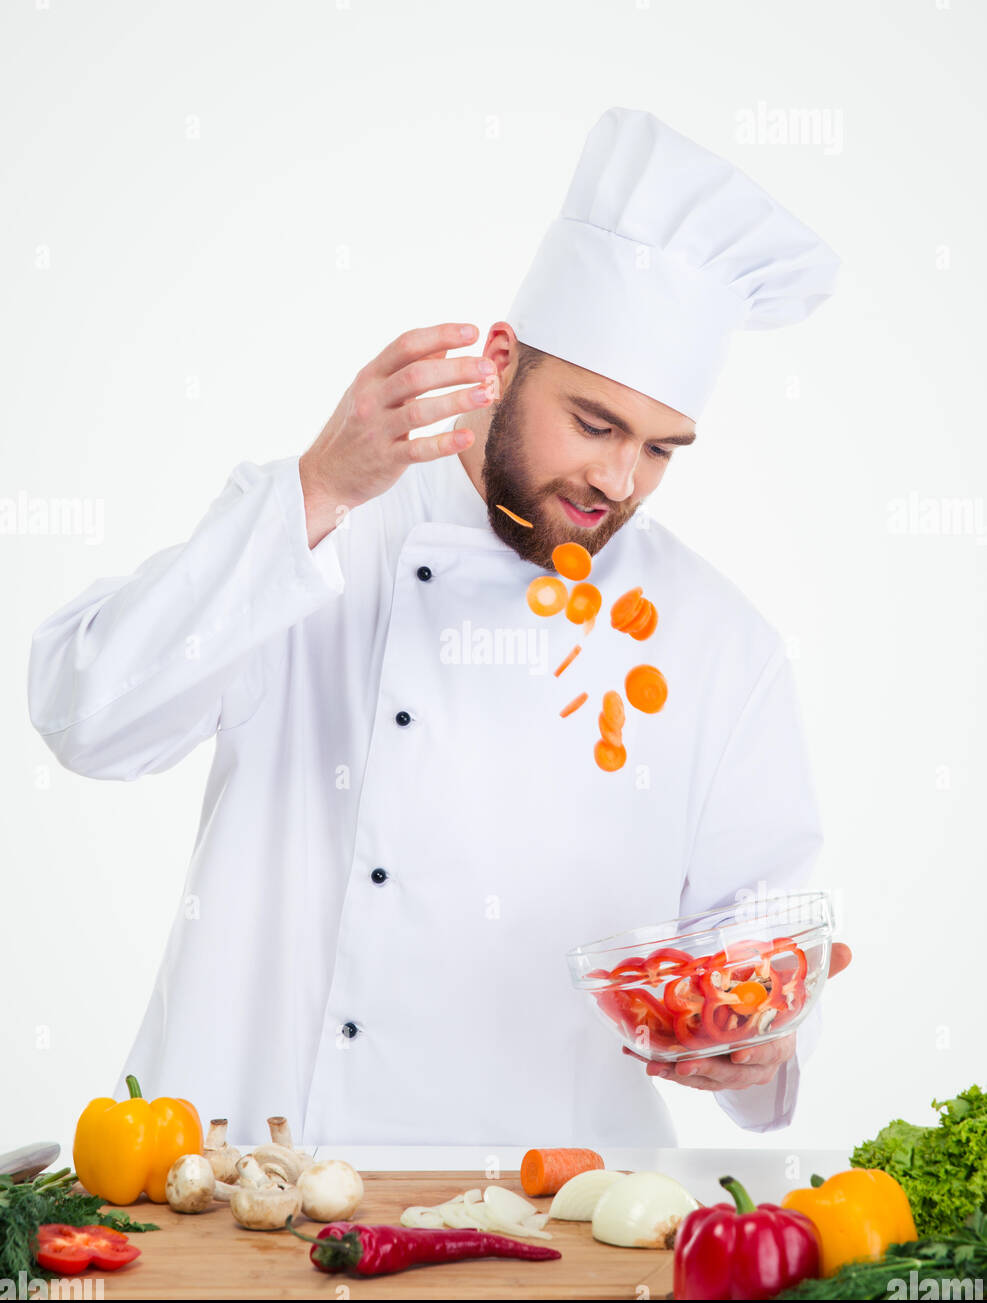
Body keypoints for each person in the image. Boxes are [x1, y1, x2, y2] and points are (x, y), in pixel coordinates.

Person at [27, 108, 850, 1147]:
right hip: (248, 1185)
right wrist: (316, 489)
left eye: (659, 448)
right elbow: (84, 715)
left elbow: (755, 946)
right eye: (593, 423)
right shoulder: (318, 534)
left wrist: (765, 1037)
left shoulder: (716, 641)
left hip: (556, 1215)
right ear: (499, 361)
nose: (617, 478)